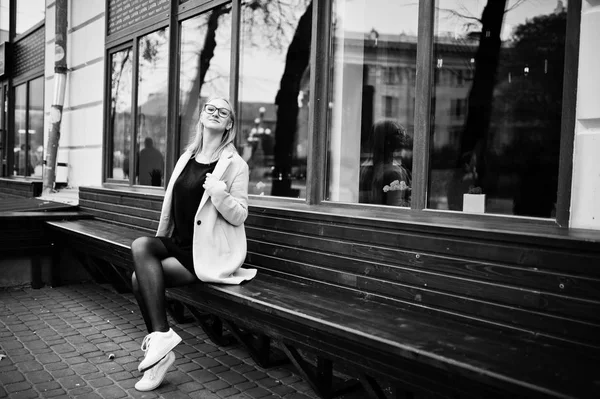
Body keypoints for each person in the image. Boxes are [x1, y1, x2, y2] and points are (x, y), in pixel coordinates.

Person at [130, 97, 256, 391]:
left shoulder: (236, 165)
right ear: (201, 117)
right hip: (178, 242)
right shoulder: (186, 157)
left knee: (139, 280)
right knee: (141, 245)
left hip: (204, 253)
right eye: (209, 108)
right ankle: (161, 339)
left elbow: (240, 215)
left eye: (222, 112)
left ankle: (158, 352)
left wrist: (218, 192)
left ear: (228, 125)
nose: (215, 113)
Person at [359, 120, 411, 207]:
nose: (404, 136)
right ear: (388, 140)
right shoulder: (394, 172)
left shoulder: (365, 168)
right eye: (398, 133)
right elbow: (397, 207)